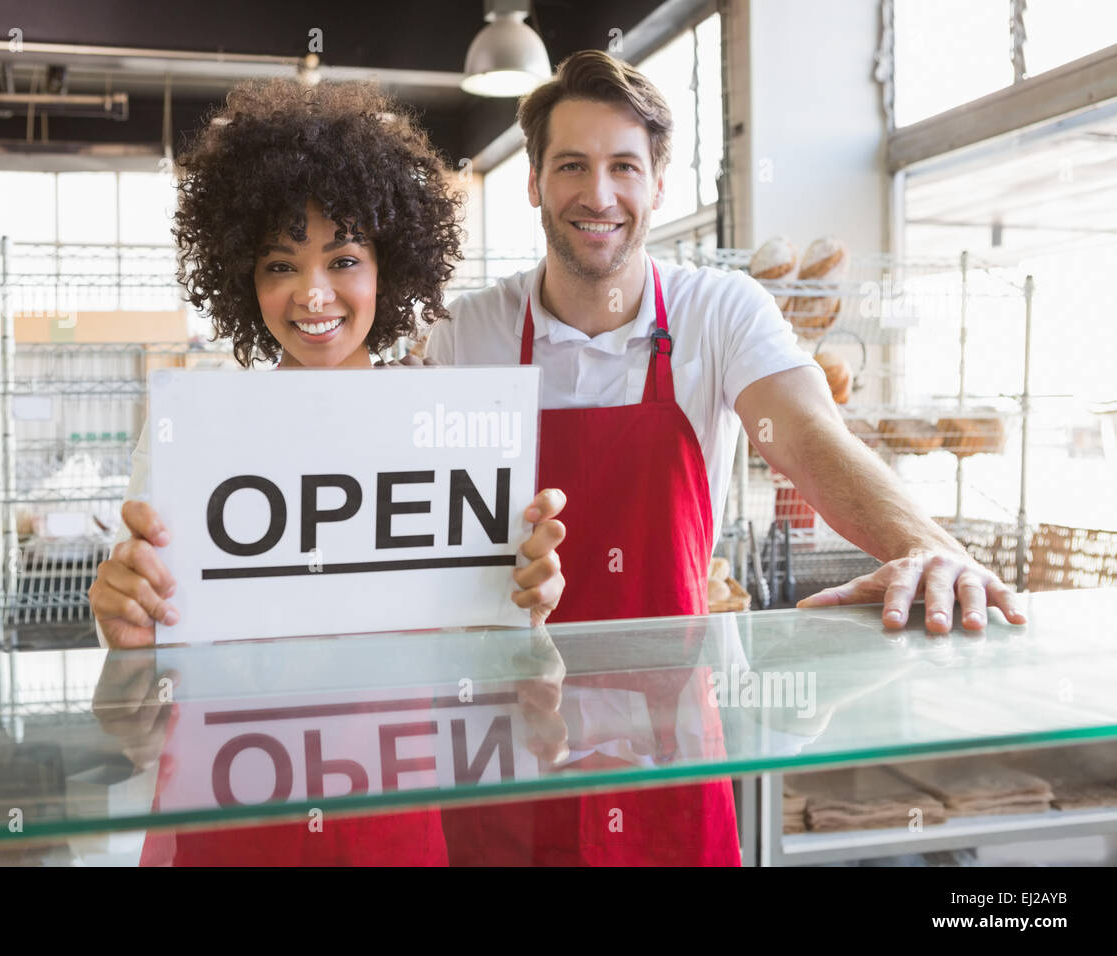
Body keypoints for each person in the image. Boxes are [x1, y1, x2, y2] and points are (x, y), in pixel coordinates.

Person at [427, 50, 1026, 866]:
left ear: (658, 187)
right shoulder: (471, 335)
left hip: (672, 738)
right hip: (512, 733)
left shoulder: (719, 311)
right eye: (571, 165)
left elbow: (810, 437)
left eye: (623, 168)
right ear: (533, 181)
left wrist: (931, 551)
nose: (598, 195)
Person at [87, 78, 567, 865]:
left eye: (344, 259)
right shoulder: (194, 434)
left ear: (390, 267)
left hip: (393, 814)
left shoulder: (447, 435)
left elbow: (508, 688)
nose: (313, 294)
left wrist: (529, 608)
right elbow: (132, 702)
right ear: (246, 277)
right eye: (281, 263)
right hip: (224, 811)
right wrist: (120, 619)